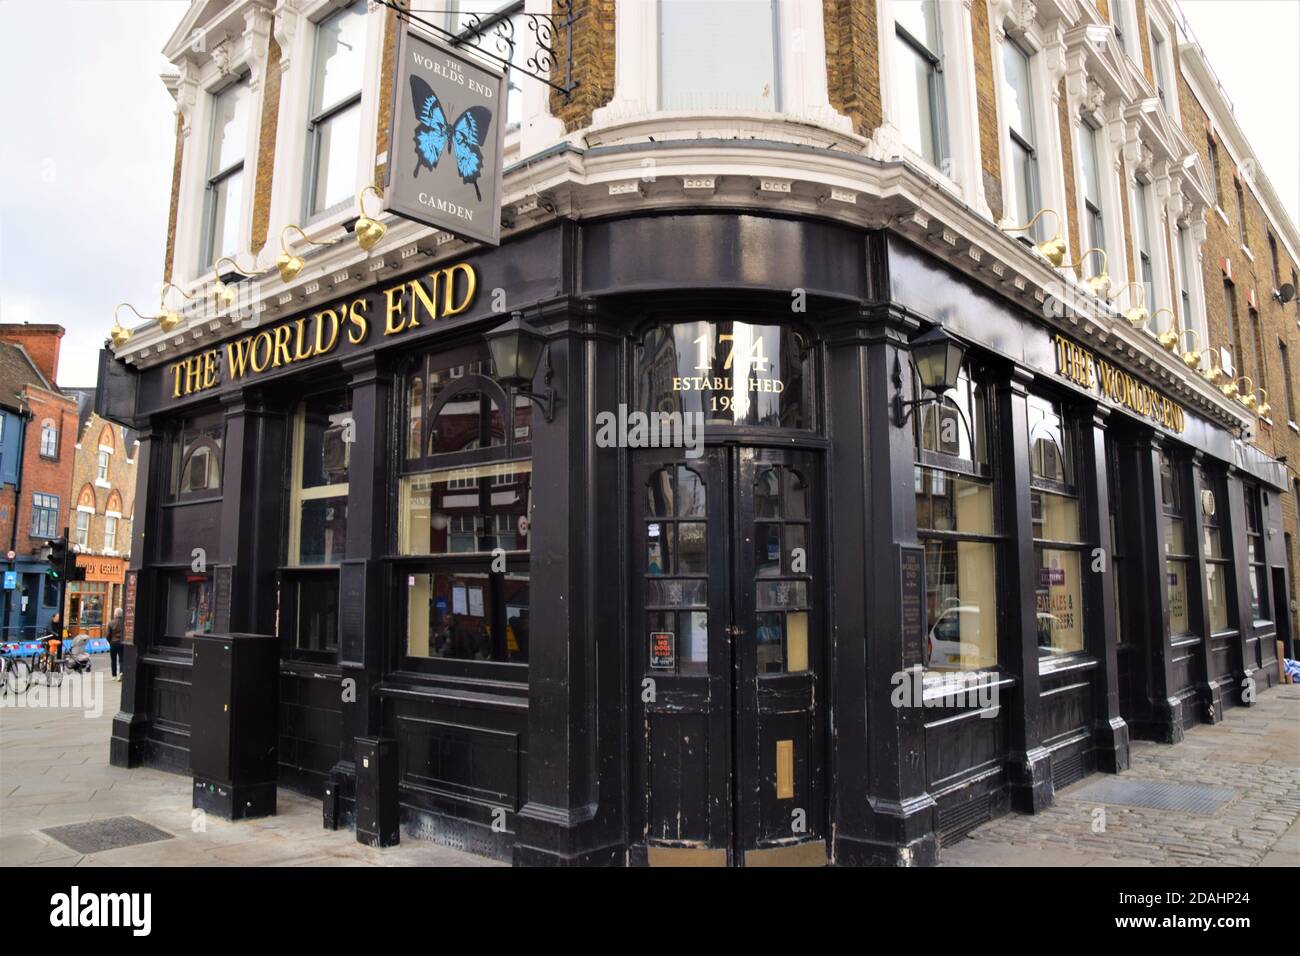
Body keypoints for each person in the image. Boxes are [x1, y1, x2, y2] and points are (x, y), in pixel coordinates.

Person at [106, 608, 125, 681]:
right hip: (121, 643)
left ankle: (114, 676)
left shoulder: (111, 623)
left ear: (115, 614)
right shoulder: (124, 623)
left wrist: (109, 641)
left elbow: (108, 635)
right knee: (122, 659)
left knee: (113, 660)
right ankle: (121, 673)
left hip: (113, 643)